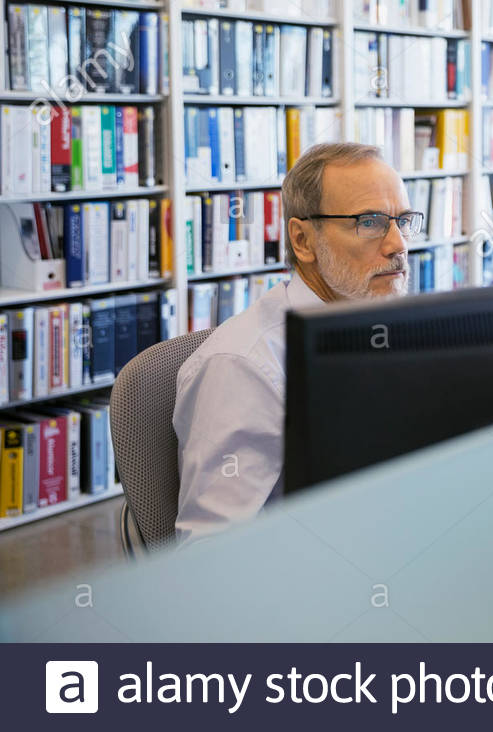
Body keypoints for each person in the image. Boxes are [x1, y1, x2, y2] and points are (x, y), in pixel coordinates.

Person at [173, 142, 418, 544]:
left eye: (403, 220)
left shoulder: (378, 323)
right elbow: (209, 556)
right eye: (370, 222)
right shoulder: (244, 366)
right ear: (303, 241)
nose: (398, 245)